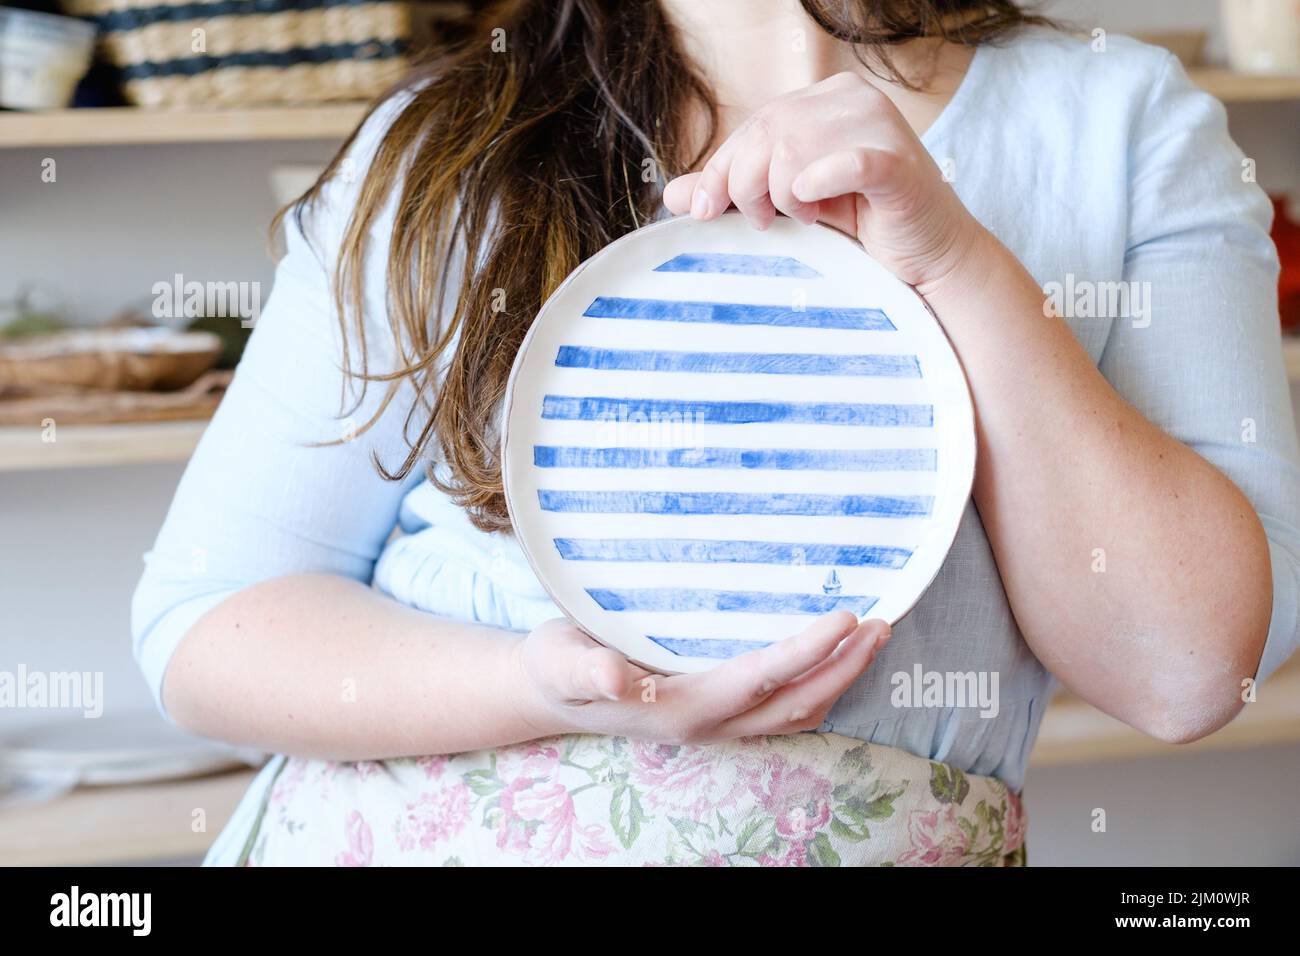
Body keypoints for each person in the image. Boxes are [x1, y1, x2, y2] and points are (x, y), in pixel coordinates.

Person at [133, 1, 1300, 866]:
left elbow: (1188, 667)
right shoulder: (447, 144)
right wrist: (541, 687)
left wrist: (952, 258)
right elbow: (208, 621)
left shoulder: (1117, 122)